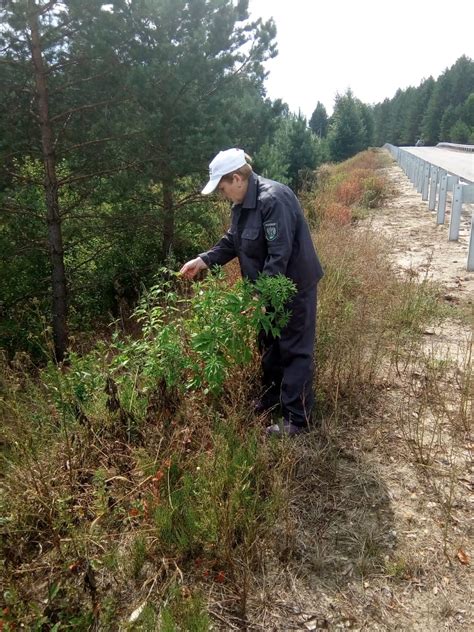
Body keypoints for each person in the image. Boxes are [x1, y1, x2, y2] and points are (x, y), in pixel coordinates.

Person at [180, 148, 324, 436]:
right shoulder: (243, 204)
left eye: (223, 189)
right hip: (266, 291)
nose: (224, 195)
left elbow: (278, 255)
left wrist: (262, 297)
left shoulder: (273, 200)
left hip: (292, 289)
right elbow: (234, 240)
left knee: (294, 350)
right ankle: (273, 400)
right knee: (269, 344)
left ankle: (297, 420)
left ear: (236, 178)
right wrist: (204, 259)